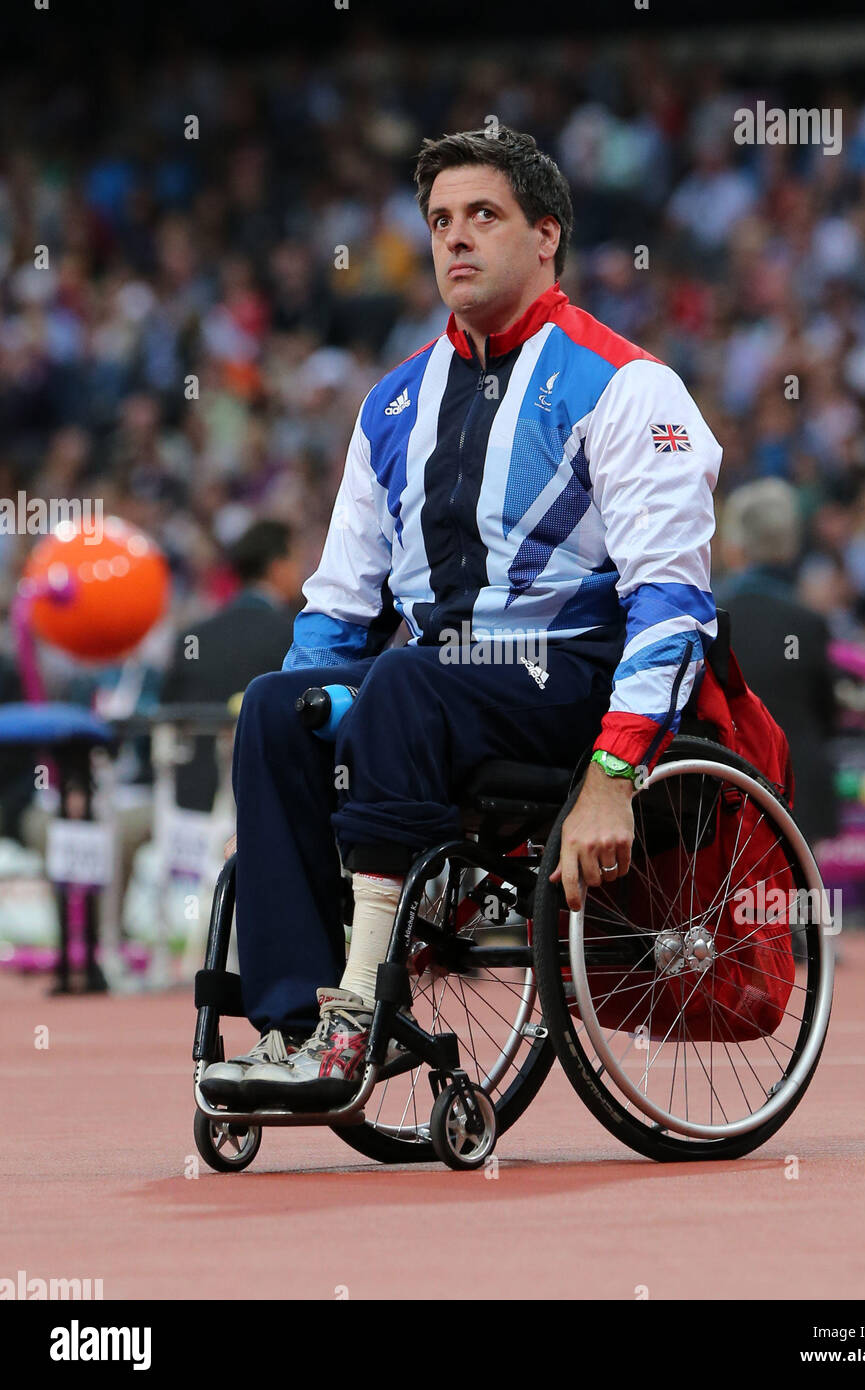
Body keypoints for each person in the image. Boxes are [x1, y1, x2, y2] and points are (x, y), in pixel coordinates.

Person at [202, 127, 722, 1111]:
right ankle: (292, 1026)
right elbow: (339, 604)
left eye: (483, 215)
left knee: (407, 677)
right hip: (438, 685)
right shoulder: (394, 402)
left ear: (545, 236)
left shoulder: (626, 384)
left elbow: (673, 603)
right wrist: (307, 726)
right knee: (274, 704)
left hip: (568, 675)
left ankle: (359, 1014)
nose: (455, 238)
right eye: (440, 220)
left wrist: (614, 773)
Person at [717, 478, 838, 847]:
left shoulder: (712, 617)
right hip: (799, 790)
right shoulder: (806, 622)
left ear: (735, 547)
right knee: (799, 885)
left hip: (728, 787)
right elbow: (827, 714)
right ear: (789, 547)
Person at [159, 520, 300, 812]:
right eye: (296, 560)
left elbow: (168, 711)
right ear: (277, 567)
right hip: (261, 800)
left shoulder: (192, 637)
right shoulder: (294, 638)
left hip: (187, 799)